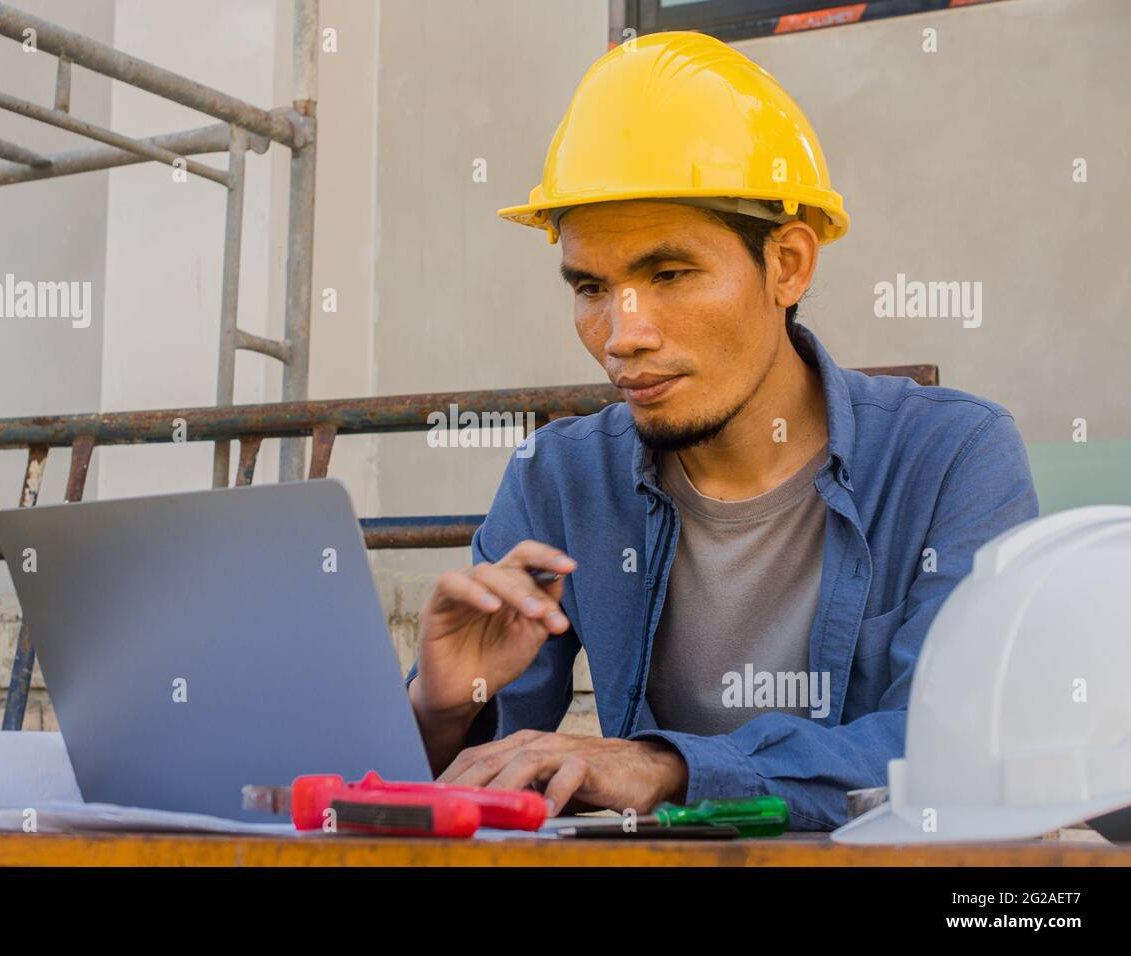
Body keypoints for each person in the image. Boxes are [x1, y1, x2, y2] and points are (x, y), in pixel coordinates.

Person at [405, 32, 1037, 829]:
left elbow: (957, 747)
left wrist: (670, 767)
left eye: (669, 275)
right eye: (593, 286)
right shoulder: (559, 475)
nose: (621, 334)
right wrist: (440, 707)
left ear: (788, 266)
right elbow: (472, 782)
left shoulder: (952, 458)